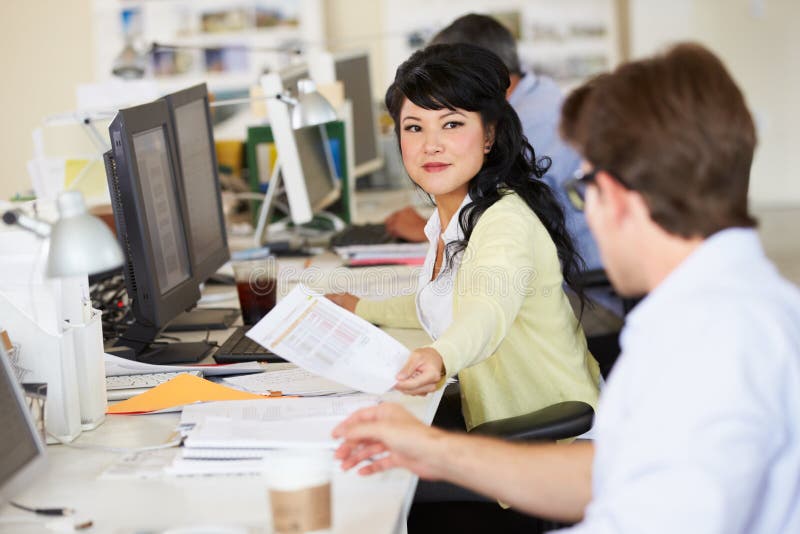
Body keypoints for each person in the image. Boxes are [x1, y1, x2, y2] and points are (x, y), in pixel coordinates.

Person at [332, 43, 800, 533]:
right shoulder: (712, 311)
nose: (586, 213)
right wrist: (435, 452)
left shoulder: (716, 340)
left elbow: (654, 518)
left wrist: (439, 375)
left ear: (616, 196)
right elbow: (612, 476)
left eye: (584, 188)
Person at [328, 43, 601, 431]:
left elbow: (485, 311)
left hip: (546, 452)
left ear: (488, 135)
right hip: (500, 432)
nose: (430, 144)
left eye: (452, 124)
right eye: (414, 127)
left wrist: (440, 356)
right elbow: (448, 299)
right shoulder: (453, 215)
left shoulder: (503, 222)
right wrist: (362, 308)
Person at [384, 13, 601, 276]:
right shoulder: (537, 92)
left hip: (585, 290)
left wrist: (425, 229)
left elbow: (509, 232)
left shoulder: (527, 122)